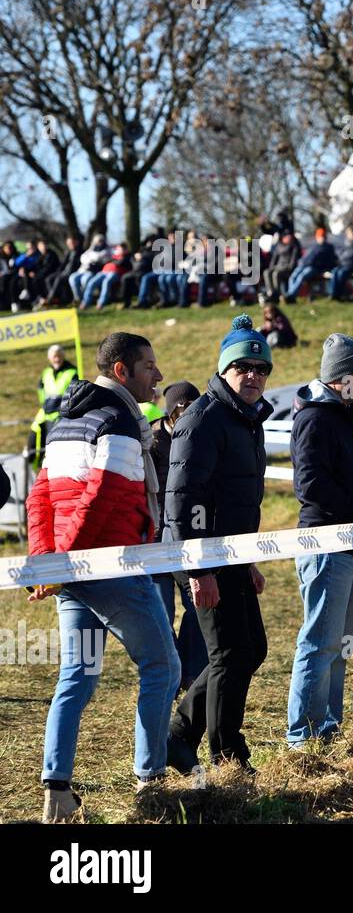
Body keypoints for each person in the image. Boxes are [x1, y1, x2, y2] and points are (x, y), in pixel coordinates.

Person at [26, 332, 178, 822]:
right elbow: (103, 497)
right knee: (163, 667)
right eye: (149, 366)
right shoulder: (118, 422)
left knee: (77, 676)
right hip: (111, 568)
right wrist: (62, 561)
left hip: (71, 572)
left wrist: (45, 562)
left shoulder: (64, 421)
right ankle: (150, 783)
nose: (157, 374)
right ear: (121, 372)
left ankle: (58, 789)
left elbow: (40, 499)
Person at [165, 317, 273, 774]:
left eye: (260, 368)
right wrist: (199, 569)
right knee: (230, 654)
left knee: (252, 649)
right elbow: (183, 497)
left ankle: (179, 735)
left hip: (232, 556)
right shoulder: (204, 418)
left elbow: (239, 498)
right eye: (242, 367)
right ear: (224, 369)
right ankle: (227, 755)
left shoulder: (248, 420)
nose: (252, 375)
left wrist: (246, 559)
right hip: (203, 558)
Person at [286, 333, 353, 746]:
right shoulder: (315, 418)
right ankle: (301, 737)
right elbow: (309, 483)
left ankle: (328, 730)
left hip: (348, 543)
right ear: (340, 378)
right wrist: (352, 514)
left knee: (341, 647)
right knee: (319, 642)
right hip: (326, 542)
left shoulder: (339, 414)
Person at [149, 381, 206, 690]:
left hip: (186, 538)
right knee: (160, 612)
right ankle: (168, 672)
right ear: (172, 412)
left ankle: (188, 669)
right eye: (184, 409)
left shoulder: (200, 437)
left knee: (198, 604)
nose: (190, 415)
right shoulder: (151, 439)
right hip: (154, 540)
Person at [27, 344, 78, 470]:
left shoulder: (72, 372)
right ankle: (35, 463)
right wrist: (44, 404)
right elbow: (41, 389)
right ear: (49, 358)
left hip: (61, 414)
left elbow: (74, 393)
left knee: (55, 444)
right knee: (35, 434)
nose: (57, 359)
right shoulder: (46, 372)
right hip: (45, 411)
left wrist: (63, 408)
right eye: (54, 357)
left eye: (59, 356)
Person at [285, 228, 339, 303]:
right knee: (292, 277)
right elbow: (305, 257)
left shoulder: (328, 247)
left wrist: (324, 268)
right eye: (320, 236)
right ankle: (290, 295)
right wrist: (301, 262)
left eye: (323, 236)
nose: (322, 238)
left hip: (314, 268)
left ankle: (291, 296)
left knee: (301, 277)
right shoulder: (313, 246)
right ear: (317, 237)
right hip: (303, 265)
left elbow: (330, 260)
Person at [263, 229, 302, 304]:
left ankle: (277, 295)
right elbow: (274, 259)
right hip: (279, 267)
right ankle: (270, 292)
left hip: (287, 268)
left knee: (276, 274)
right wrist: (271, 267)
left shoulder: (294, 247)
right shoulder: (279, 246)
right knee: (267, 272)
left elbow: (293, 262)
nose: (289, 238)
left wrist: (288, 268)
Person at [329, 226, 353, 301]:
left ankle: (340, 294)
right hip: (343, 264)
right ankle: (333, 294)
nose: (348, 235)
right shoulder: (347, 243)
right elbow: (341, 254)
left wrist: (343, 257)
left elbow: (352, 255)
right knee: (334, 272)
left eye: (349, 233)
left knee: (341, 273)